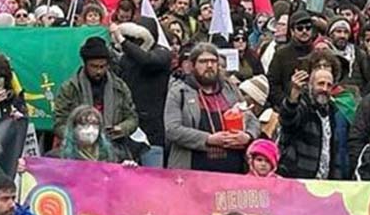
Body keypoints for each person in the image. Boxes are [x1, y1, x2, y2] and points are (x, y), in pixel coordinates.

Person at [164, 43, 258, 172]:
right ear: (192, 66)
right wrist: (208, 139)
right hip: (192, 172)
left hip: (233, 172)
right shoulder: (179, 92)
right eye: (203, 61)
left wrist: (248, 136)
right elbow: (172, 129)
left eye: (213, 61)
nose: (209, 66)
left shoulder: (230, 90)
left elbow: (252, 120)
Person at [52, 36, 139, 153]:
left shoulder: (119, 87)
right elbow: (59, 123)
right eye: (94, 66)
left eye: (102, 67)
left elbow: (132, 118)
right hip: (78, 150)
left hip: (114, 148)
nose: (98, 71)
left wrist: (121, 129)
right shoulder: (70, 88)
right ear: (85, 64)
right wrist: (80, 135)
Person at [112, 20, 173, 168]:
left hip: (152, 132)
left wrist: (122, 40)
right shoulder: (125, 59)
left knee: (152, 181)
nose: (132, 43)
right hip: (128, 128)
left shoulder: (163, 53)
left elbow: (147, 61)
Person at [277, 68, 336, 179]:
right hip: (296, 178)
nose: (324, 89)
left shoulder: (333, 111)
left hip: (324, 182)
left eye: (329, 85)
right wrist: (294, 94)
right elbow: (288, 121)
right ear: (310, 85)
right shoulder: (303, 105)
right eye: (321, 83)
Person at [265, 10, 317, 109]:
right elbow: (273, 83)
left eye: (308, 27)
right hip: (288, 106)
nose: (304, 31)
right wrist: (286, 103)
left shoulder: (317, 52)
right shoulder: (281, 54)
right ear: (292, 31)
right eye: (300, 28)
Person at [48, 106, 133, 164]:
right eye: (84, 124)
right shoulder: (57, 158)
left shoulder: (114, 156)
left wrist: (128, 168)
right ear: (73, 128)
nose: (90, 130)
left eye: (95, 125)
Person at [327, 18, 370, 89]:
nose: (342, 35)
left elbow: (369, 78)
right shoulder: (325, 52)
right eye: (338, 31)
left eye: (346, 32)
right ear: (331, 34)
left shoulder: (359, 54)